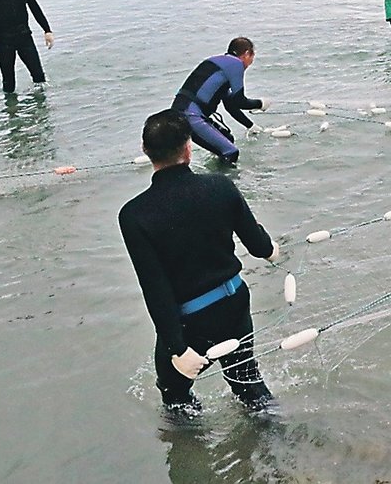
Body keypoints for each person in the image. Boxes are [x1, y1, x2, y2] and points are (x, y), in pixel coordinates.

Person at [119, 109, 279, 412]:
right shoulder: (221, 187)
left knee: (175, 397)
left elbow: (155, 287)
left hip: (189, 321)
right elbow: (258, 246)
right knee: (248, 383)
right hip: (234, 304)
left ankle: (194, 456)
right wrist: (272, 250)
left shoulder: (134, 215)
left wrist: (177, 348)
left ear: (145, 150)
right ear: (188, 148)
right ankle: (278, 439)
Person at [171, 37, 269, 165]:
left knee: (228, 139)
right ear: (246, 54)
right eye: (251, 58)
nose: (249, 64)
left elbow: (230, 105)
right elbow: (240, 101)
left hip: (180, 113)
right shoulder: (235, 64)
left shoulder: (220, 66)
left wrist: (251, 126)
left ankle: (213, 174)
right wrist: (260, 104)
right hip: (189, 116)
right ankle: (222, 183)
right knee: (231, 152)